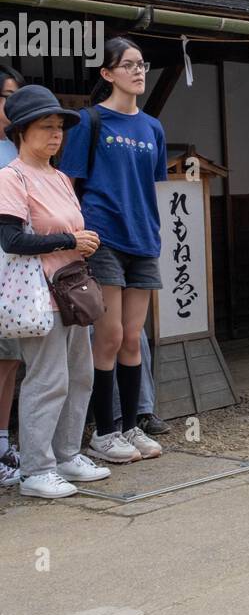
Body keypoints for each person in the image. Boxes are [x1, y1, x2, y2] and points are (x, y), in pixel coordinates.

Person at [59, 37, 167, 463]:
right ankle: (103, 432)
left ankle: (131, 427)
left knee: (132, 340)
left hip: (145, 239)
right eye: (128, 65)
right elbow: (69, 184)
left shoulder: (153, 127)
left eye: (142, 64)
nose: (139, 71)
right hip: (103, 238)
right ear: (107, 74)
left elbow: (150, 184)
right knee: (108, 336)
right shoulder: (90, 121)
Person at [0, 86, 110, 499]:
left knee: (78, 376)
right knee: (47, 380)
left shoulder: (60, 177)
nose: (55, 135)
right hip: (39, 293)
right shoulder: (11, 178)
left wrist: (81, 243)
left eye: (59, 127)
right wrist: (69, 240)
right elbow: (11, 240)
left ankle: (65, 455)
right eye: (46, 127)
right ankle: (36, 469)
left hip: (71, 290)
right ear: (22, 132)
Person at [0, 64, 24, 489]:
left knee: (8, 360)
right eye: (6, 95)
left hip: (14, 273)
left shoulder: (17, 149)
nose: (13, 104)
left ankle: (2, 441)